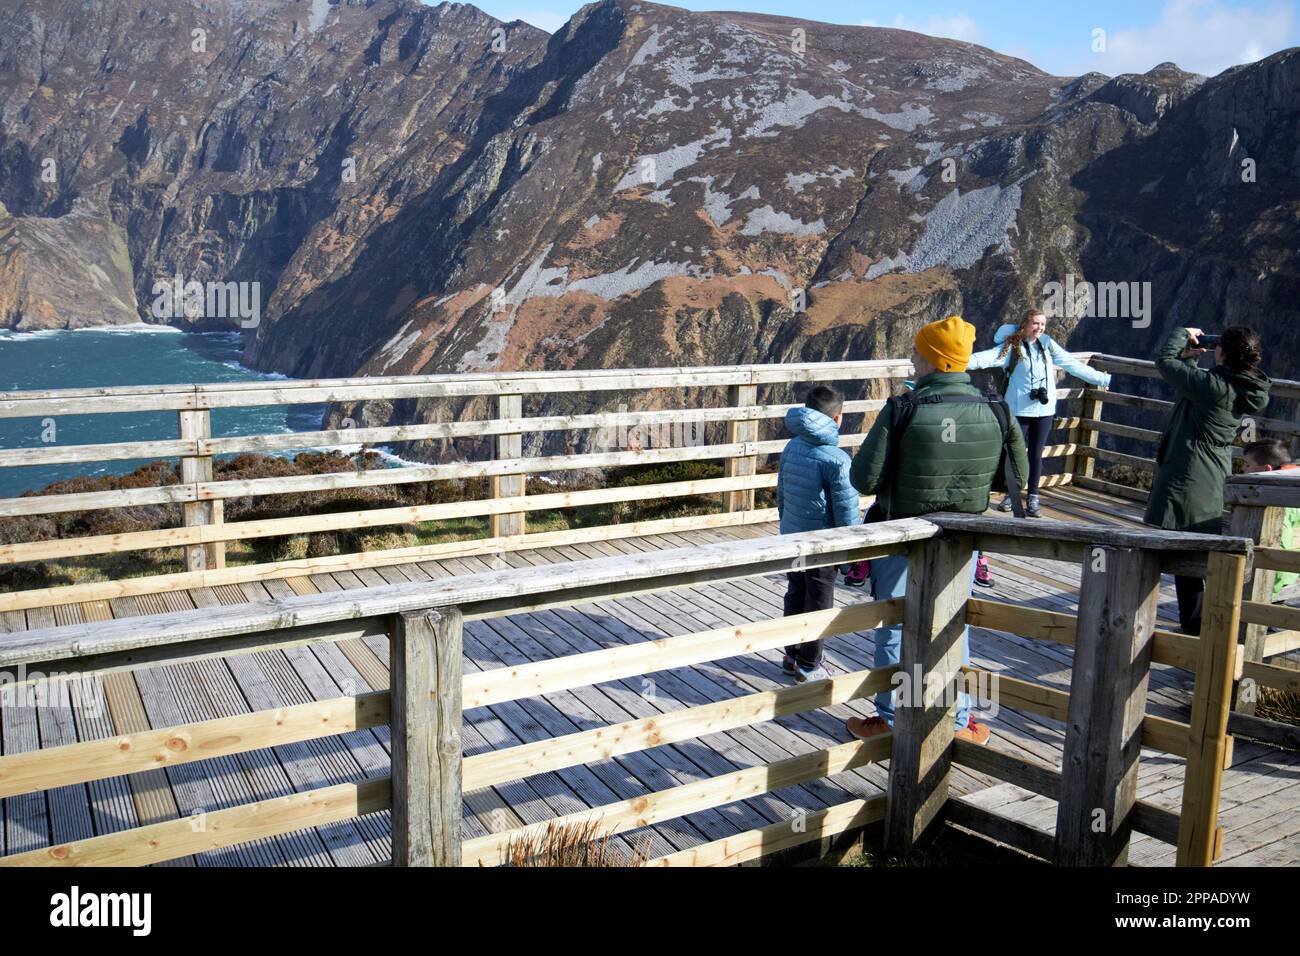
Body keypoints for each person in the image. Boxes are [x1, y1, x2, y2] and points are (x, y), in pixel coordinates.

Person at [847, 315, 1030, 746]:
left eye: (918, 352)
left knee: (895, 625)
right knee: (954, 626)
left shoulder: (903, 409)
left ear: (934, 360)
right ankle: (960, 719)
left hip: (902, 535)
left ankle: (892, 719)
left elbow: (864, 480)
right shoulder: (997, 409)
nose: (912, 358)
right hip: (962, 541)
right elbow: (1014, 480)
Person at [1145, 326, 1271, 634]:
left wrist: (1180, 333)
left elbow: (1164, 361)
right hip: (1208, 473)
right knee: (1193, 551)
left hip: (1190, 474)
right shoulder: (1238, 385)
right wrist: (1189, 361)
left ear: (1222, 352)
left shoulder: (1216, 387)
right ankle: (1199, 624)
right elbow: (1192, 392)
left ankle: (1197, 627)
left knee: (1184, 552)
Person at [968, 310, 1112, 517]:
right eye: (1035, 323)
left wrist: (1103, 380)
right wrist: (951, 362)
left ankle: (1033, 497)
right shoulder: (1012, 347)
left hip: (1044, 410)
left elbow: (1072, 365)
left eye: (1043, 324)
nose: (1040, 328)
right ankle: (1012, 493)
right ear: (1025, 324)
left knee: (1036, 455)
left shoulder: (1047, 345)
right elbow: (984, 359)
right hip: (1018, 410)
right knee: (1014, 456)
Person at [775, 384, 861, 682]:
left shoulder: (792, 446)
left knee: (796, 593)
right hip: (822, 545)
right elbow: (847, 513)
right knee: (819, 601)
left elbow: (782, 494)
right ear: (838, 419)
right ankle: (810, 664)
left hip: (793, 537)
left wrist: (785, 526)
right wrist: (854, 553)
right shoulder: (836, 459)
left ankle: (791, 655)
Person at [1241, 439, 1300, 601]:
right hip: (1287, 575)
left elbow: (1280, 544)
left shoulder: (1278, 500)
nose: (1243, 468)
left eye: (1247, 464)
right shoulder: (1294, 488)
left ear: (1267, 469)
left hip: (1272, 578)